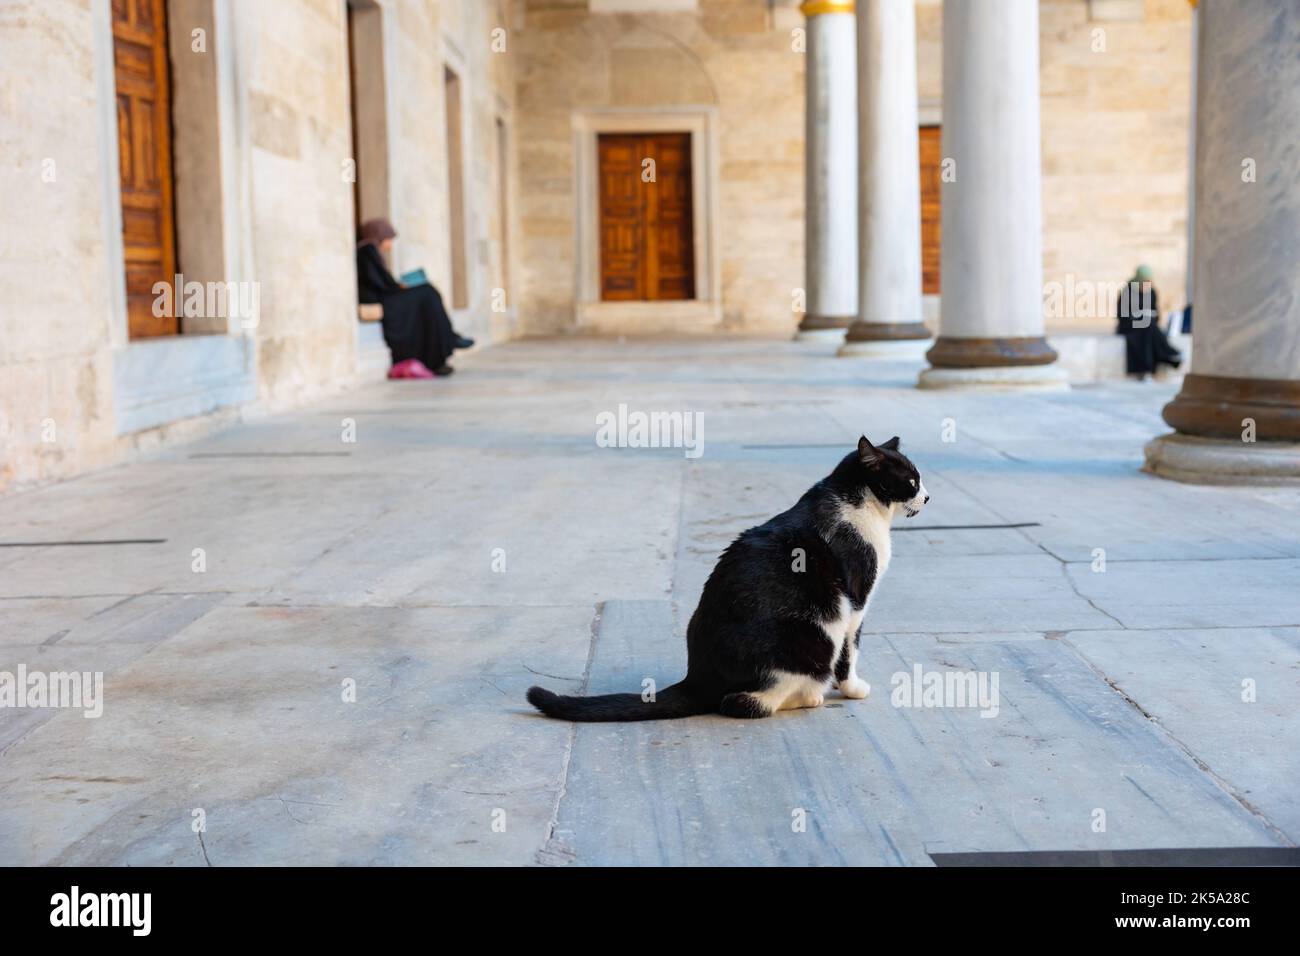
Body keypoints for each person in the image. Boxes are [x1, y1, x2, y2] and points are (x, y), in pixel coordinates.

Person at [355, 218, 474, 379]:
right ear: (380, 236)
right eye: (389, 239)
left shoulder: (371, 251)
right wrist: (399, 287)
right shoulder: (367, 250)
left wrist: (399, 286)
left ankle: (448, 341)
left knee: (427, 294)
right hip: (382, 299)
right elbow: (377, 282)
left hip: (386, 296)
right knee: (427, 293)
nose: (390, 244)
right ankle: (449, 340)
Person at [1115, 263, 1182, 379]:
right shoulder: (1128, 291)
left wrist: (1149, 315)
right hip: (1129, 326)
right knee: (1147, 328)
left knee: (1149, 327)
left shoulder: (1151, 292)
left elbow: (1156, 313)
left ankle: (1147, 370)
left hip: (1148, 325)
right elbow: (1122, 315)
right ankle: (1169, 355)